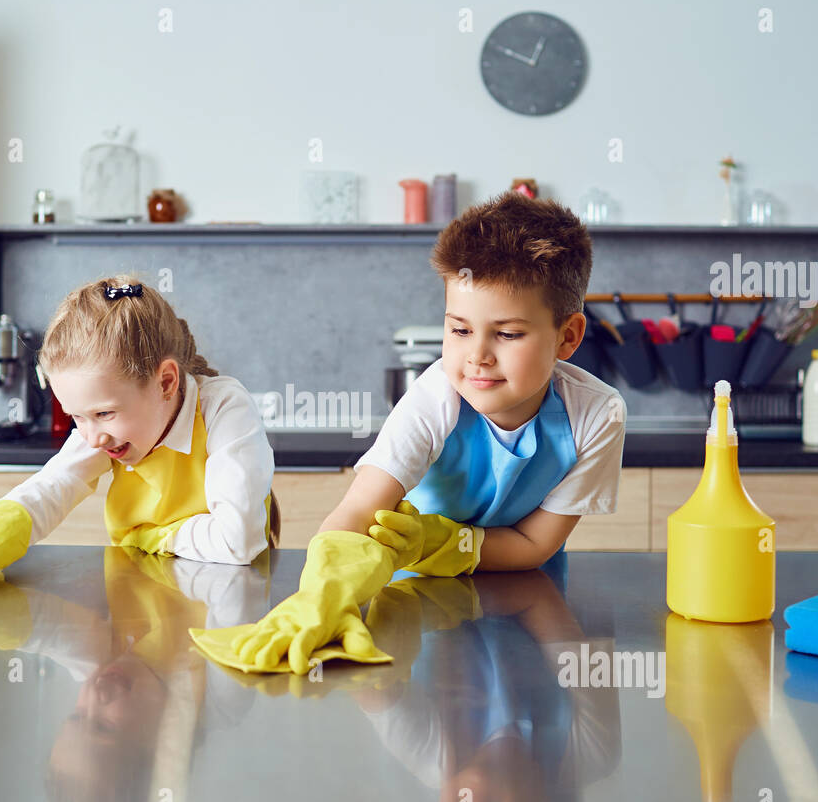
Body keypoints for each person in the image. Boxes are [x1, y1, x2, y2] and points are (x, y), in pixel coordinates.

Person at [194, 193, 625, 674]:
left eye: (506, 334)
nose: (476, 356)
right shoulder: (435, 398)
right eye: (460, 330)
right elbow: (358, 511)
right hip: (411, 605)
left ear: (568, 336)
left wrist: (439, 541)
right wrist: (320, 597)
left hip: (526, 606)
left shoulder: (597, 416)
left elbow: (534, 547)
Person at [0, 274, 278, 616]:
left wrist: (152, 536)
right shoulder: (104, 430)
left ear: (165, 381)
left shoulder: (223, 407)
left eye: (104, 413)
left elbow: (236, 543)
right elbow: (47, 490)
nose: (91, 436)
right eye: (76, 417)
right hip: (146, 602)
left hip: (229, 606)